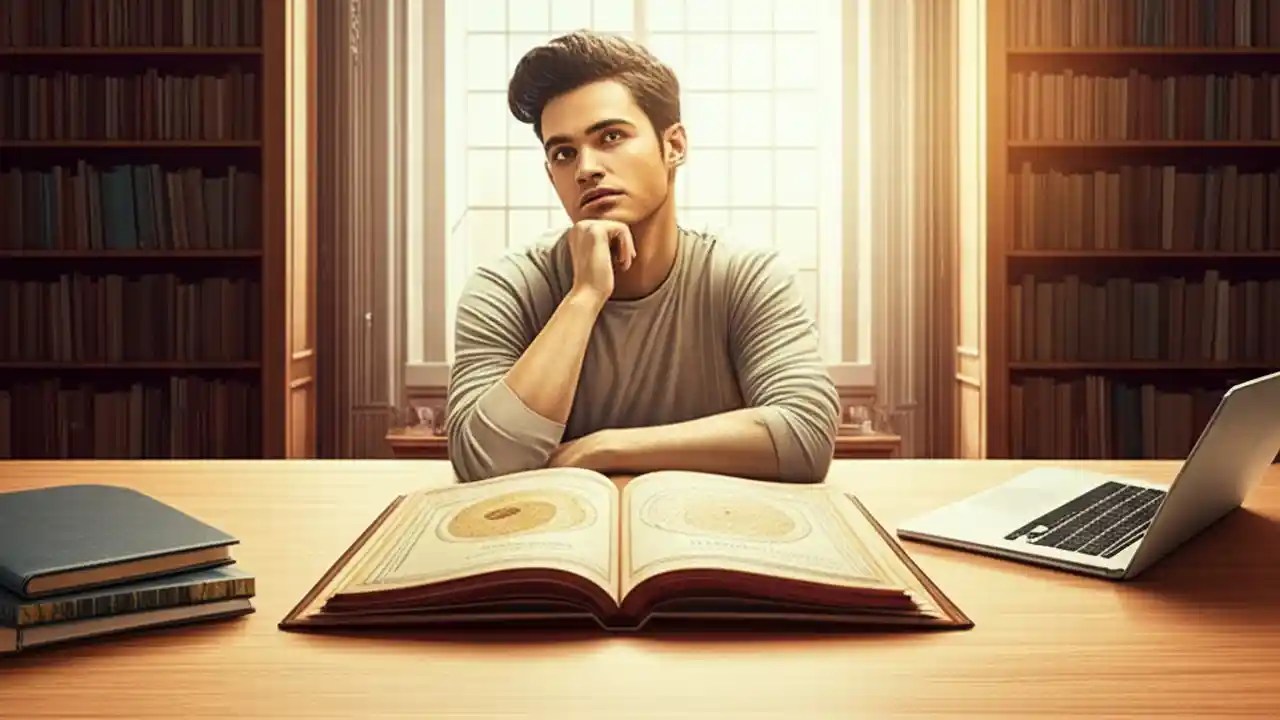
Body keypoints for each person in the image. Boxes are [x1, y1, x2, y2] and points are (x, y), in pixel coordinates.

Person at [445, 30, 840, 484]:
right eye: (564, 152)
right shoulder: (505, 287)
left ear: (673, 146)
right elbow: (482, 460)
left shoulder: (744, 274)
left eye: (611, 136)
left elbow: (806, 435)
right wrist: (585, 296)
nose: (586, 168)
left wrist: (604, 448)